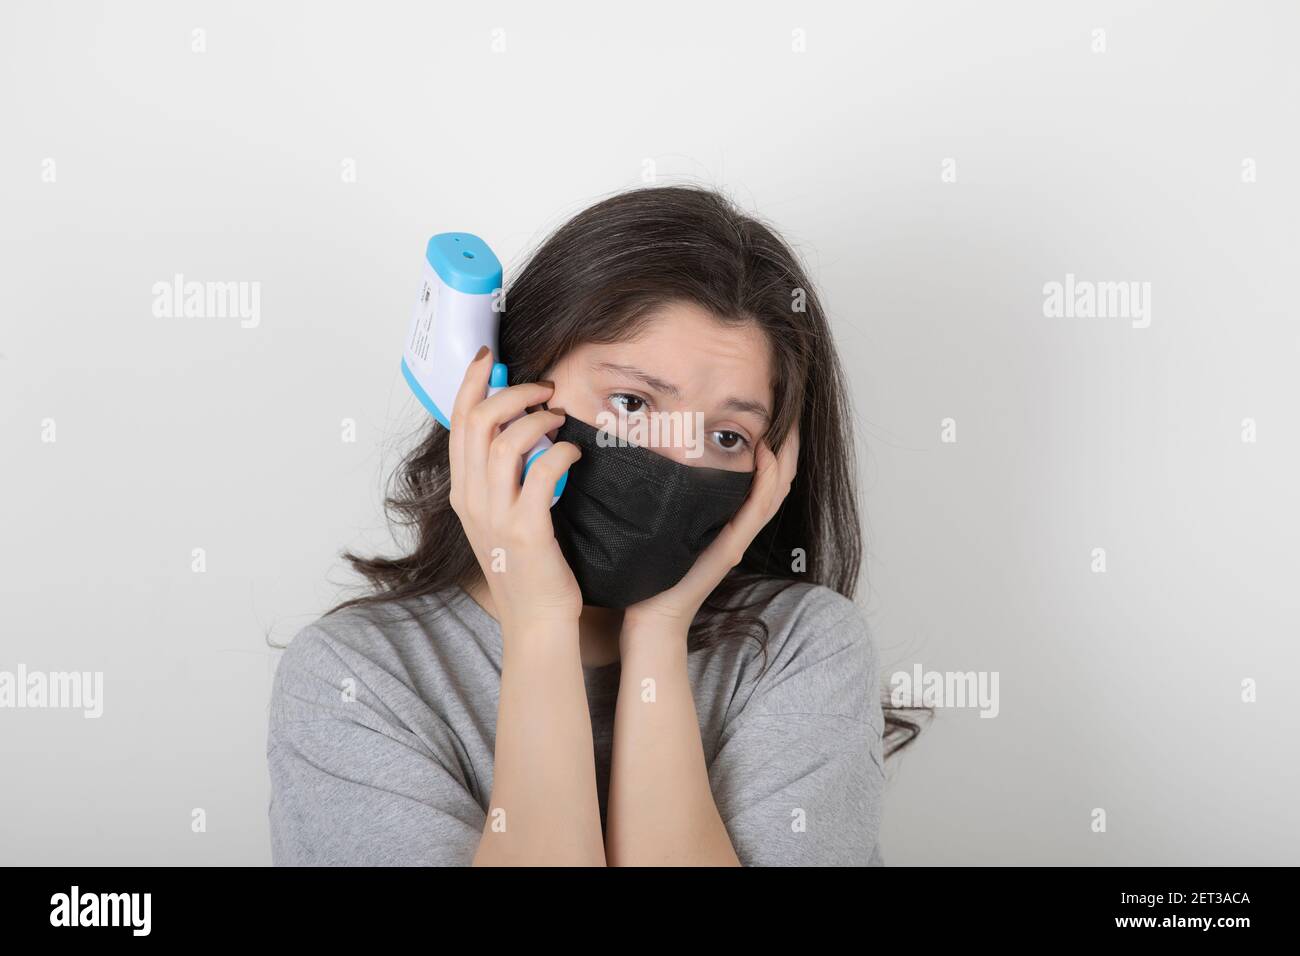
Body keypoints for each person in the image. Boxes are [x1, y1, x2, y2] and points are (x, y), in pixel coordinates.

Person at [266, 184, 917, 866]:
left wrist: (660, 636)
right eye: (632, 401)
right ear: (507, 398)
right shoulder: (355, 680)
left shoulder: (800, 649)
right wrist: (539, 627)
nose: (674, 463)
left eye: (727, 435)